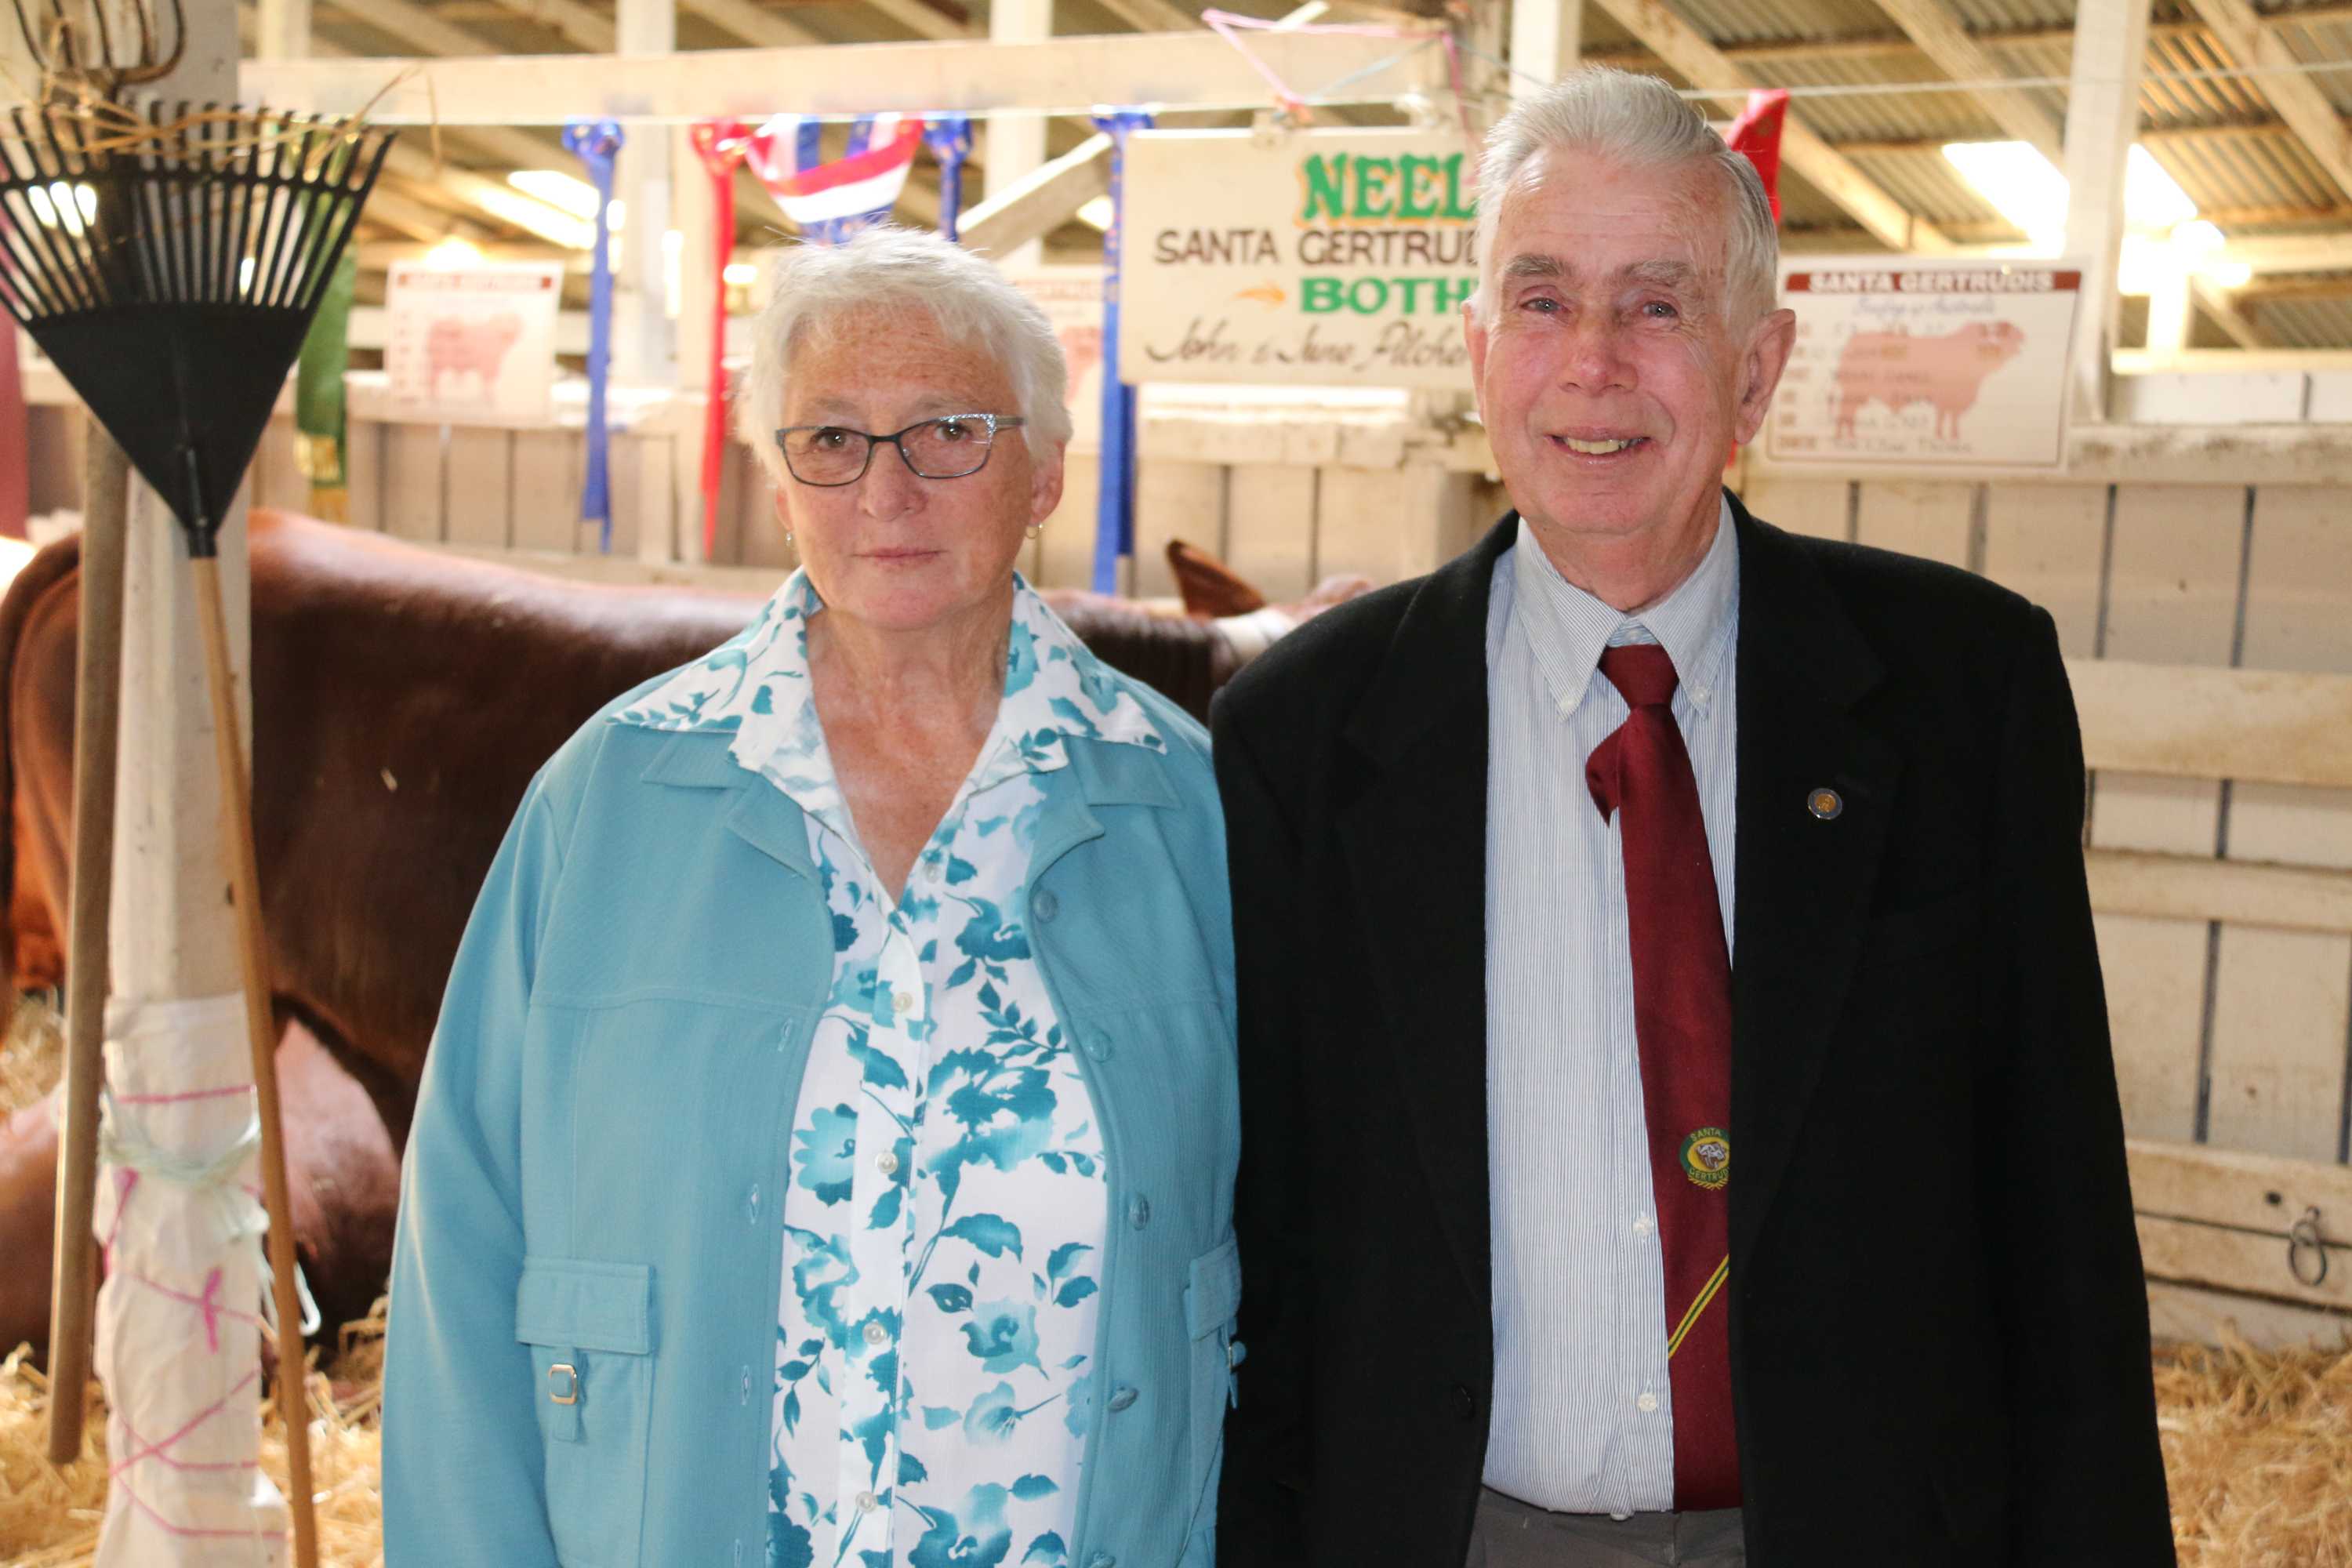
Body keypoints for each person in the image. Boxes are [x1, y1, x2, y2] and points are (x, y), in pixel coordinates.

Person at [1211, 67, 2172, 1568]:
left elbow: (2058, 1220)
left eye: (1658, 306)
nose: (1592, 365)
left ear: (1759, 367)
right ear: (1479, 354)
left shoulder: (1956, 693)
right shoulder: (1300, 733)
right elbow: (1264, 1252)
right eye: (1542, 303)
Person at [383, 227, 1239, 1568]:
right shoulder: (610, 799)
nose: (885, 492)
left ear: (1046, 473)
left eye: (948, 431)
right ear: (778, 486)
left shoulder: (1185, 809)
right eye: (830, 440)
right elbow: (462, 1241)